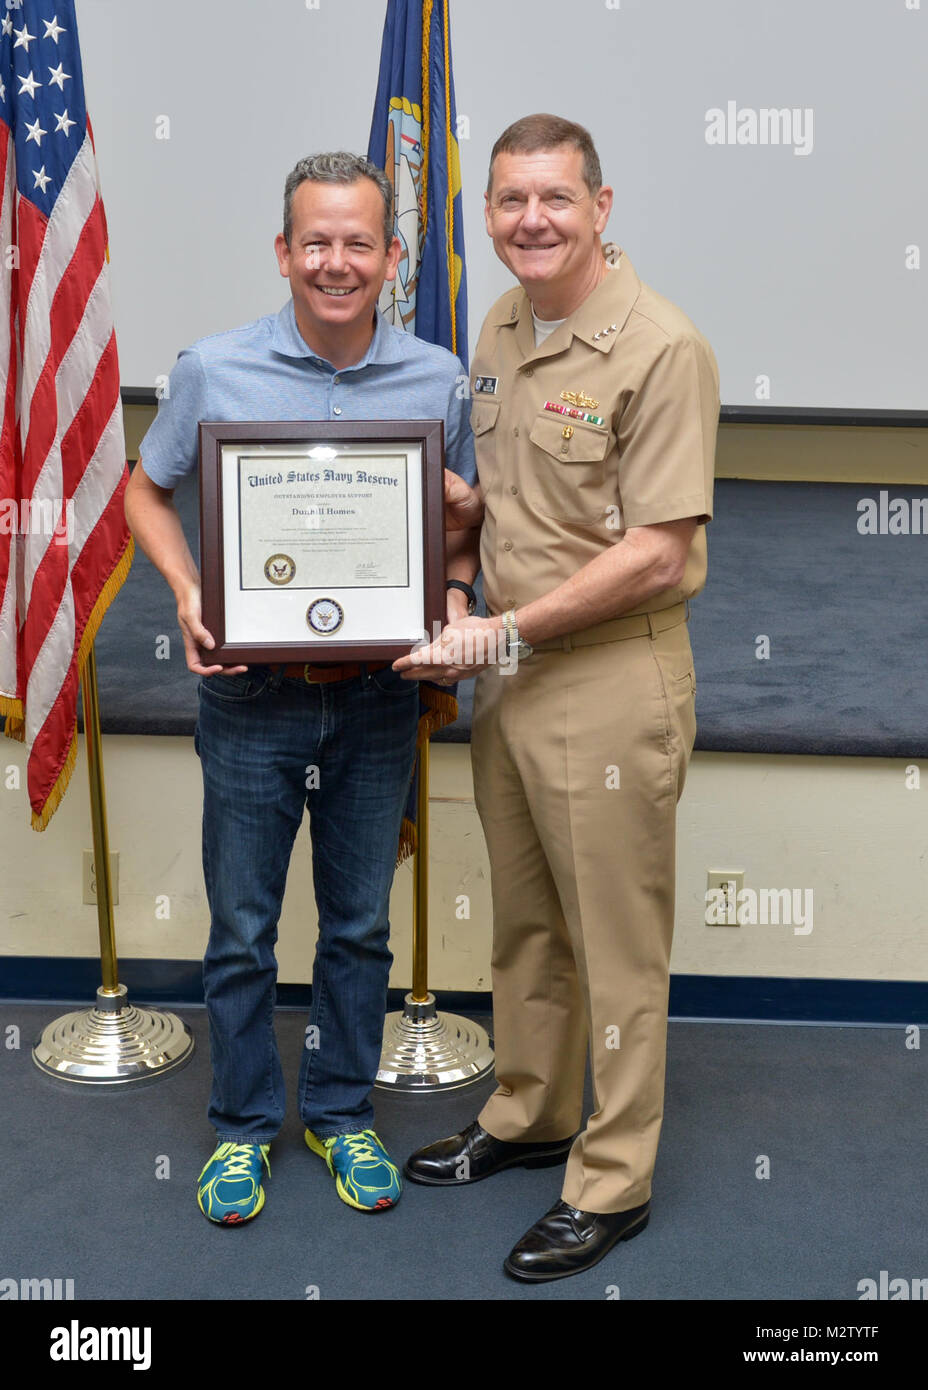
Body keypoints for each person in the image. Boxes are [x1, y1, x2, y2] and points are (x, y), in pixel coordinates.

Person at [125, 152, 480, 1224]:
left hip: (377, 700)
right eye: (315, 241)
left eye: (358, 242)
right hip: (251, 699)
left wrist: (458, 595)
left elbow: (460, 531)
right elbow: (145, 492)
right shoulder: (213, 369)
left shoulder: (439, 380)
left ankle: (338, 1112)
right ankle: (240, 1128)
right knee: (241, 929)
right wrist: (190, 588)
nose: (336, 262)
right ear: (283, 252)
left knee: (359, 927)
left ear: (392, 258)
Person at [396, 114, 719, 1282]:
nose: (530, 220)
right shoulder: (500, 321)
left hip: (609, 673)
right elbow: (510, 502)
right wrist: (448, 533)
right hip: (514, 670)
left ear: (601, 205)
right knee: (528, 920)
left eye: (554, 199)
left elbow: (656, 552)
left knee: (614, 943)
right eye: (509, 200)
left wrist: (500, 631)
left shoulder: (659, 346)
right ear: (485, 213)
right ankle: (528, 1113)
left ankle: (613, 1177)